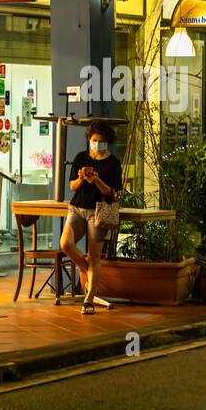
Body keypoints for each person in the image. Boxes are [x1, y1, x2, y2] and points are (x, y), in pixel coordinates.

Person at [60, 121, 122, 314]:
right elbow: (72, 186)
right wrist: (81, 178)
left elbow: (113, 194)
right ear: (89, 140)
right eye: (94, 140)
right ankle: (87, 270)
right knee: (66, 244)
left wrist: (96, 180)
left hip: (99, 211)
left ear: (107, 142)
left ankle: (89, 299)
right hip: (77, 208)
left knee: (95, 255)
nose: (97, 144)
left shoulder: (113, 163)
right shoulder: (81, 157)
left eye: (101, 141)